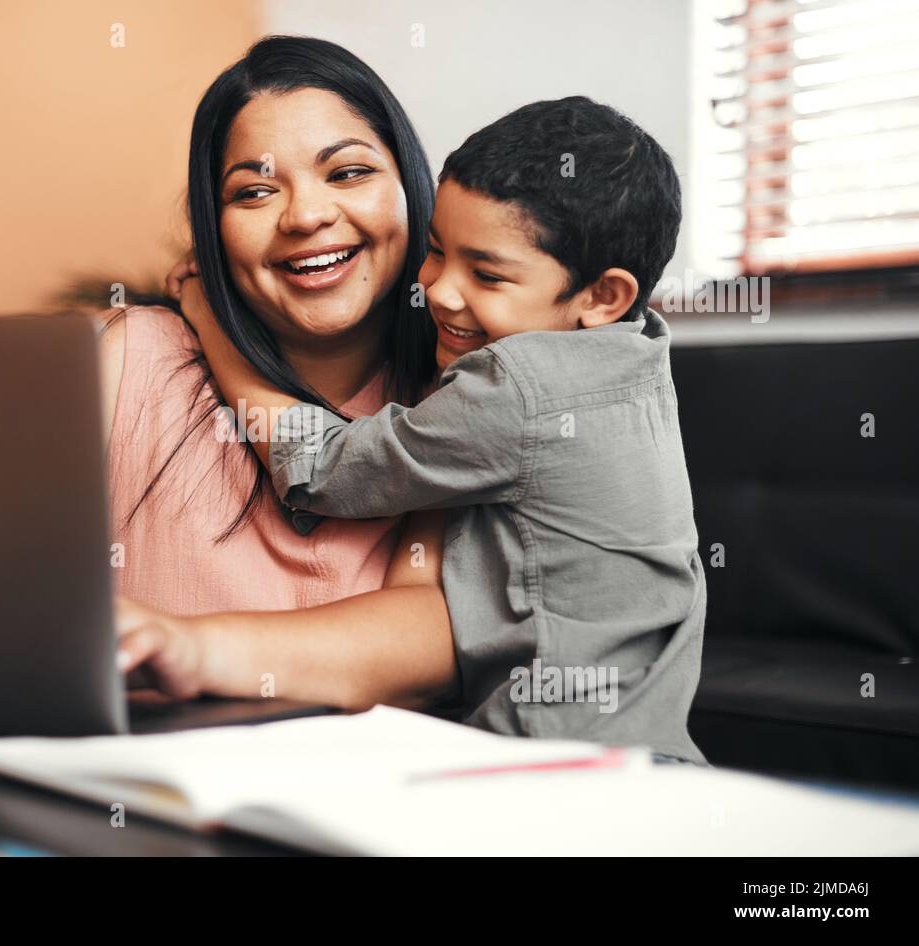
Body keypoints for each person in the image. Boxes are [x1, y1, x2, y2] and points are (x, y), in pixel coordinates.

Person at [178, 97, 708, 763]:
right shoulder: (638, 354)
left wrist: (211, 322)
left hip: (558, 772)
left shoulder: (520, 385)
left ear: (602, 297)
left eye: (486, 275)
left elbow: (323, 469)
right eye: (435, 252)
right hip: (652, 755)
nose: (440, 291)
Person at [103, 36, 458, 713]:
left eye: (348, 173)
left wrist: (191, 645)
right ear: (214, 225)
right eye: (256, 190)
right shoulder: (127, 361)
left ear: (411, 185)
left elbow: (435, 637)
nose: (306, 216)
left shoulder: (468, 391)